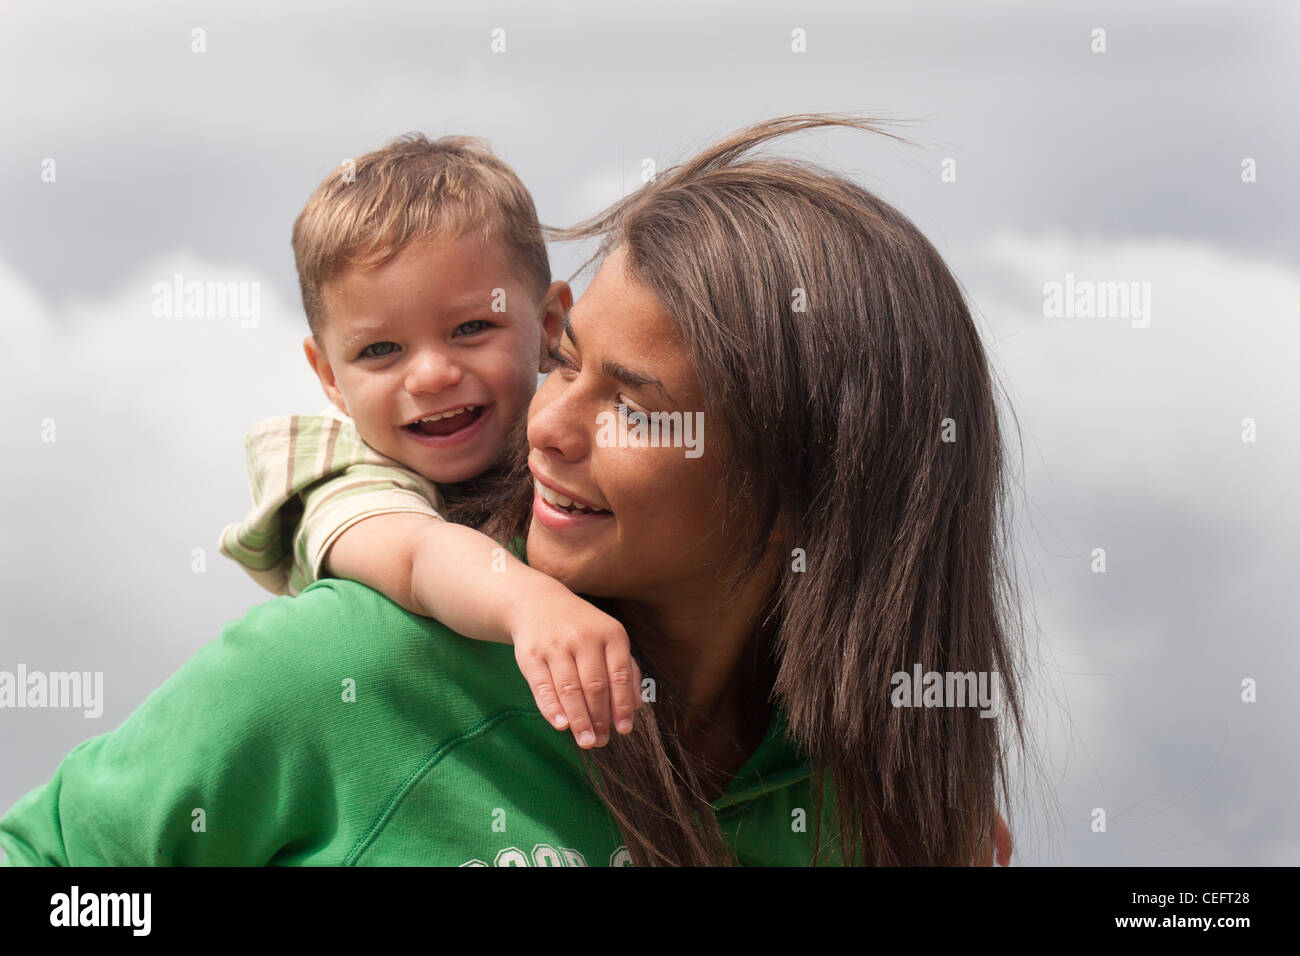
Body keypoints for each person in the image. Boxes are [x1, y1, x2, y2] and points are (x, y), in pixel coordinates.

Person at [0, 114, 1024, 866]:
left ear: (807, 475)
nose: (546, 423)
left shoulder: (887, 803)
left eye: (629, 400)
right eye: (566, 364)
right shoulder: (344, 667)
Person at [218, 132, 641, 749]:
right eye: (381, 350)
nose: (432, 375)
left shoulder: (566, 437)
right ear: (330, 376)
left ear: (549, 327)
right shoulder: (338, 467)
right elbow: (418, 554)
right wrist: (529, 603)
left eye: (471, 328)